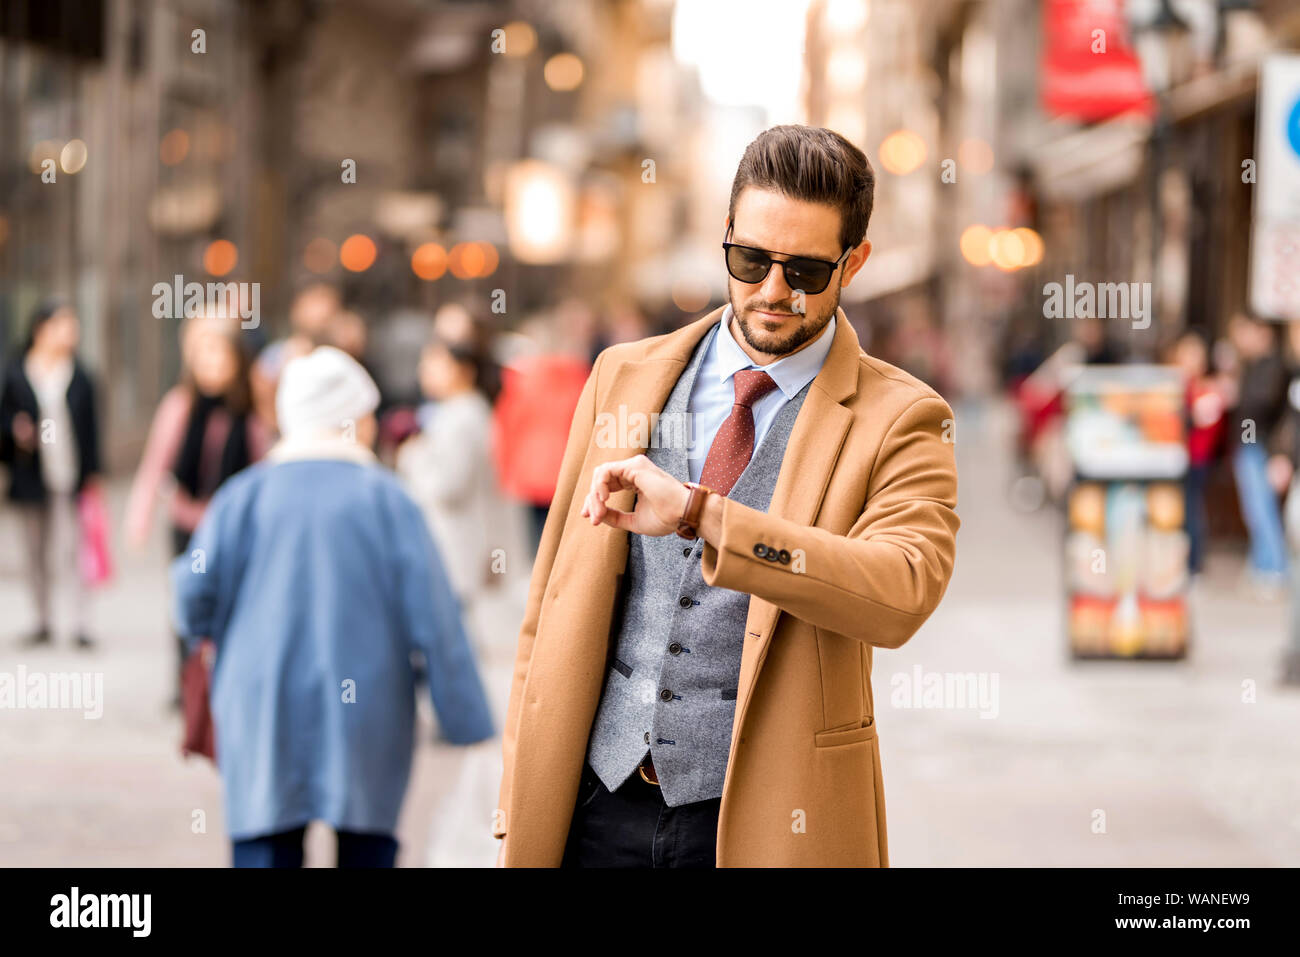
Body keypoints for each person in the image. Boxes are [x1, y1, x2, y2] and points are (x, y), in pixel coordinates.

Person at [494, 125, 960, 868]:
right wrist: (520, 791)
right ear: (726, 236)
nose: (773, 291)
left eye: (806, 270)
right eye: (749, 260)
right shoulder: (623, 376)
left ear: (855, 261)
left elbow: (901, 591)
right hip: (593, 807)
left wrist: (703, 516)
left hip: (767, 822)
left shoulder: (902, 418)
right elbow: (546, 606)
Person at [171, 346, 495, 868]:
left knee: (264, 841)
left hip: (262, 704)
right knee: (365, 841)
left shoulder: (241, 498)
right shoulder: (389, 501)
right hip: (366, 710)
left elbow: (190, 594)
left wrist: (208, 634)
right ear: (352, 420)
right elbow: (435, 616)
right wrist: (464, 716)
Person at [124, 311, 270, 702]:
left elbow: (265, 468)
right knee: (188, 599)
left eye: (220, 355)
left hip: (233, 528)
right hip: (188, 524)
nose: (212, 364)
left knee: (232, 602)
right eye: (203, 354)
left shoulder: (248, 411)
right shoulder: (181, 406)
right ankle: (186, 683)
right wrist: (139, 519)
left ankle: (226, 677)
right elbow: (155, 465)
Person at [0, 301, 101, 648]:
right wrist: (15, 430)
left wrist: (93, 475)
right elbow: (4, 418)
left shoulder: (81, 375)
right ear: (41, 329)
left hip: (68, 473)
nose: (71, 333)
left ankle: (80, 623)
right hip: (30, 474)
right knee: (34, 551)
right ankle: (41, 619)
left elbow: (91, 430)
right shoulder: (16, 372)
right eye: (63, 325)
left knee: (72, 549)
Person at [396, 329, 502, 650]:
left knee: (452, 639)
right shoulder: (461, 411)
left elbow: (447, 485)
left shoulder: (463, 415)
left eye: (433, 364)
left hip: (455, 542)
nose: (423, 372)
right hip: (457, 541)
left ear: (461, 370)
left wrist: (410, 455)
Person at [1227, 313, 1288, 595]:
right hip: (1250, 443)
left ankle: (1273, 568)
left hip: (1258, 444)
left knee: (1261, 507)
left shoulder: (1273, 365)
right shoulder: (1252, 365)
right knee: (1254, 508)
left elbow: (1258, 406)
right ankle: (1262, 564)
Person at [1171, 330, 1227, 574]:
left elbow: (1199, 422)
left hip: (1197, 459)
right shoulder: (1179, 385)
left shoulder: (1208, 390)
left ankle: (1193, 561)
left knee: (1191, 509)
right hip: (1177, 456)